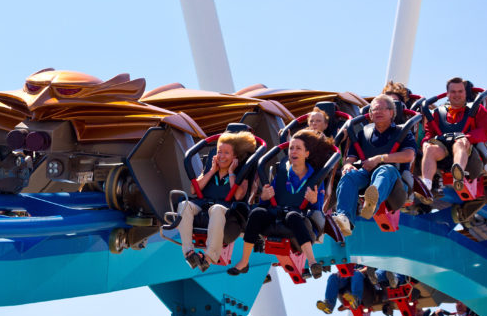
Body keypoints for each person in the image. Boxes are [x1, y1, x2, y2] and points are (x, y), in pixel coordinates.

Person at [229, 129, 334, 278]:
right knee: (257, 213)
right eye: (291, 148)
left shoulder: (316, 177)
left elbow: (317, 210)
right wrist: (264, 197)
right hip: (277, 214)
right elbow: (267, 201)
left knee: (292, 216)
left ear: (307, 154)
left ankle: (312, 262)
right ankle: (244, 261)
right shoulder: (283, 173)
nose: (293, 151)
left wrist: (314, 200)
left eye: (298, 148)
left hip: (301, 219)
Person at [174, 130, 258, 270]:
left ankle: (209, 257)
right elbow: (194, 190)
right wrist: (212, 171)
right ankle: (189, 252)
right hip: (205, 203)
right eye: (219, 152)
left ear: (234, 156)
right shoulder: (211, 169)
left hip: (227, 210)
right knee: (184, 205)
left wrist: (231, 173)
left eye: (226, 153)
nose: (221, 156)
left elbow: (238, 196)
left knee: (217, 209)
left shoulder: (241, 172)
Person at [334, 94, 417, 231]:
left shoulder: (402, 132)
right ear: (370, 115)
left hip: (394, 180)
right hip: (366, 175)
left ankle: (371, 203)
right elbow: (351, 158)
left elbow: (408, 156)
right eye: (374, 110)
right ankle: (345, 218)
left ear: (391, 112)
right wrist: (348, 165)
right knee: (348, 177)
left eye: (382, 109)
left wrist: (379, 158)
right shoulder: (363, 134)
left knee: (384, 170)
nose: (377, 112)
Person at [420, 77, 487, 195]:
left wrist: (467, 137)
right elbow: (429, 134)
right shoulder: (438, 113)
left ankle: (458, 174)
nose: (457, 95)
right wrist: (425, 143)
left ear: (465, 93)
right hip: (444, 154)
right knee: (429, 148)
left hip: (470, 158)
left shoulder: (477, 109)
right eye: (453, 92)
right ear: (447, 94)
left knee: (460, 143)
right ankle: (426, 184)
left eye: (460, 91)